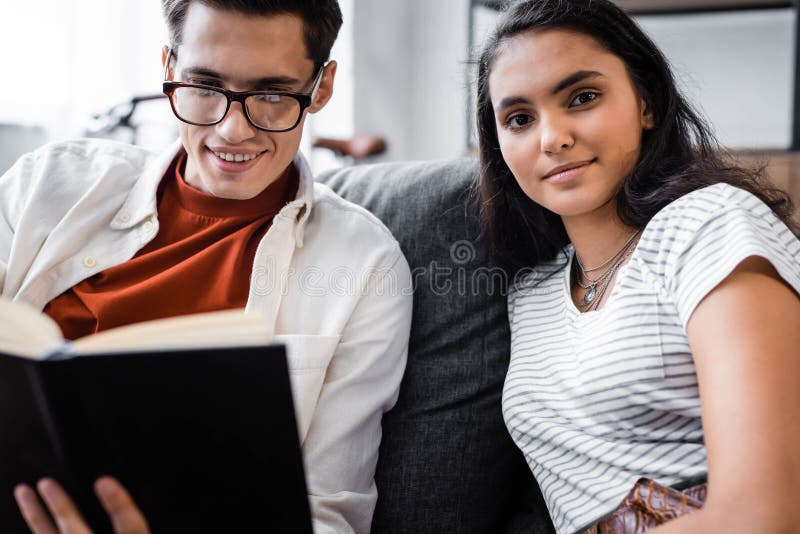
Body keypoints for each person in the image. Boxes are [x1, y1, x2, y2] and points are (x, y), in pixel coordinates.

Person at [2, 1, 412, 533]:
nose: (232, 131)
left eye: (270, 94)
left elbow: (329, 515)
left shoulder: (365, 267)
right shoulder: (46, 184)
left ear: (322, 86)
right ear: (169, 69)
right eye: (204, 86)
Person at [475, 0, 800, 532]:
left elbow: (763, 516)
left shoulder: (709, 223)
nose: (551, 137)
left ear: (646, 102)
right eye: (519, 119)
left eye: (582, 97)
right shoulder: (528, 291)